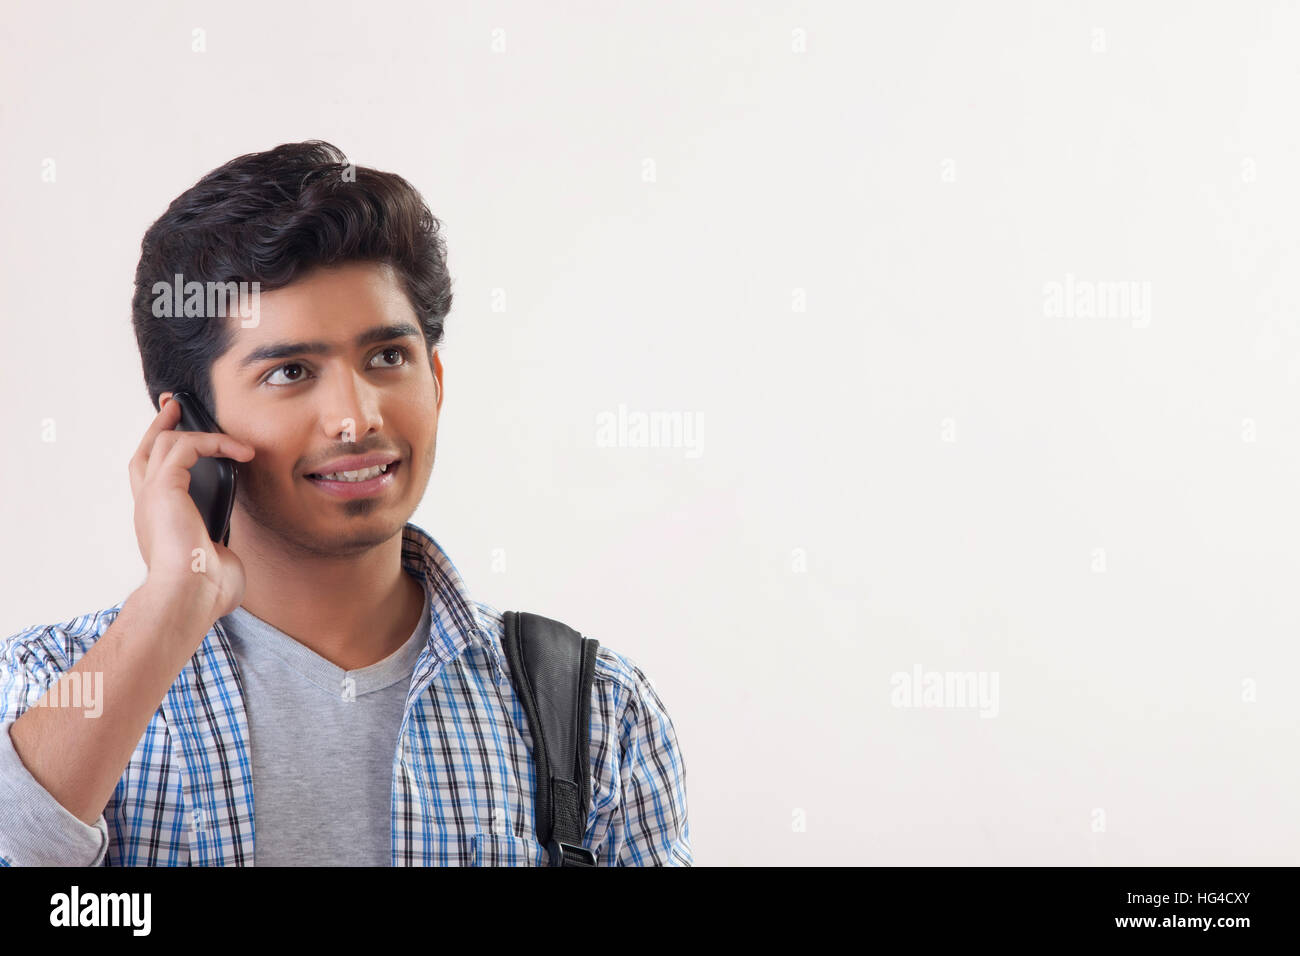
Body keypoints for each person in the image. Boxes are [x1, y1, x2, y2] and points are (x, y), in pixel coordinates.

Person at [0, 141, 691, 866]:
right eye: (290, 371)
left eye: (387, 358)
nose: (355, 417)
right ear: (191, 425)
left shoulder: (593, 713)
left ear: (438, 383)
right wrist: (174, 599)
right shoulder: (45, 689)